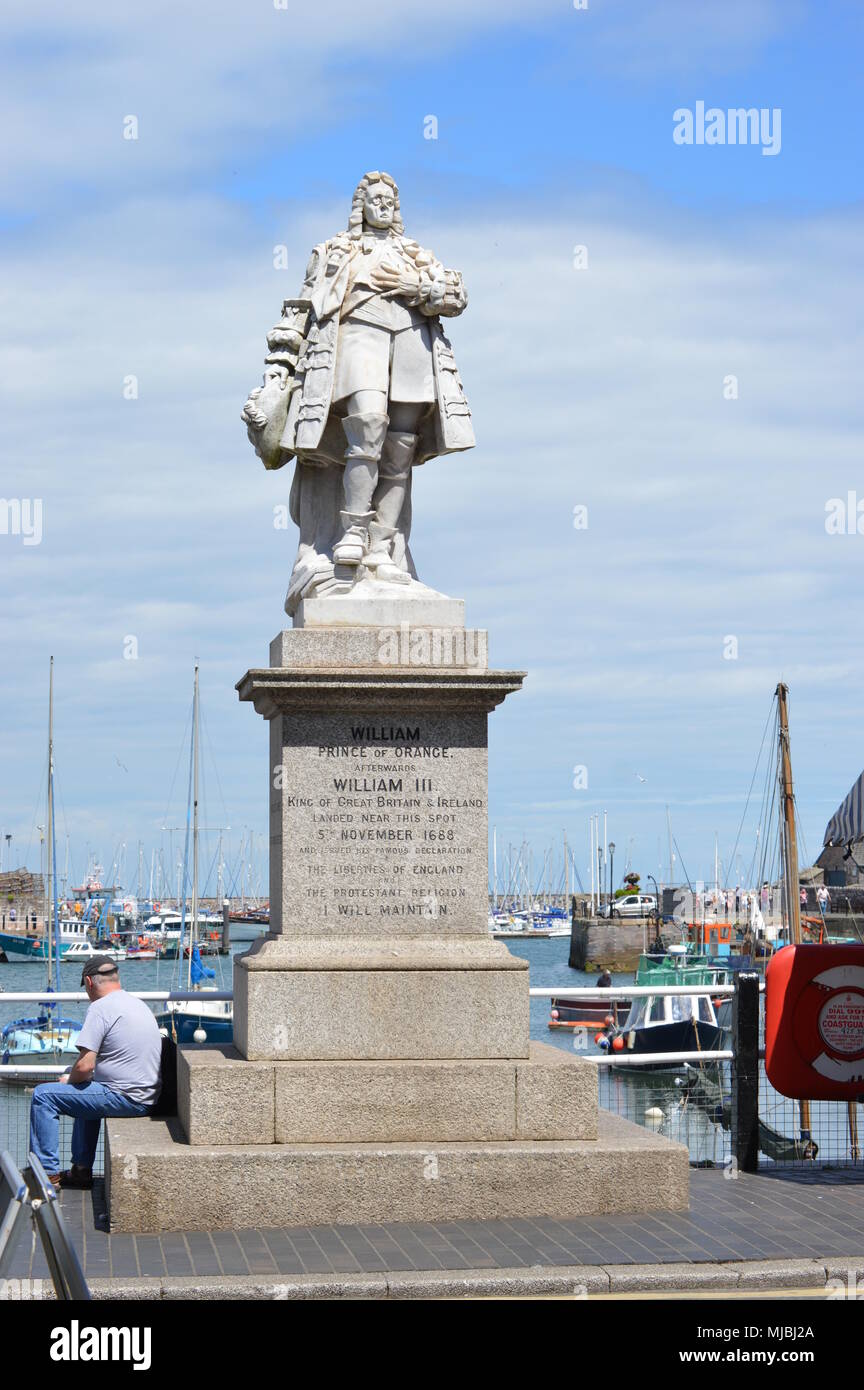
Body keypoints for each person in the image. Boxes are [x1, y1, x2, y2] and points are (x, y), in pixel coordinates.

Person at [29, 955, 161, 1189]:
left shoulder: (100, 1008)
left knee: (43, 1096)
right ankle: (81, 1171)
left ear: (89, 982)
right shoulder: (137, 1003)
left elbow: (85, 1065)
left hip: (126, 1097)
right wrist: (75, 1079)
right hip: (146, 1095)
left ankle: (45, 1175)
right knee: (84, 1087)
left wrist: (68, 1080)